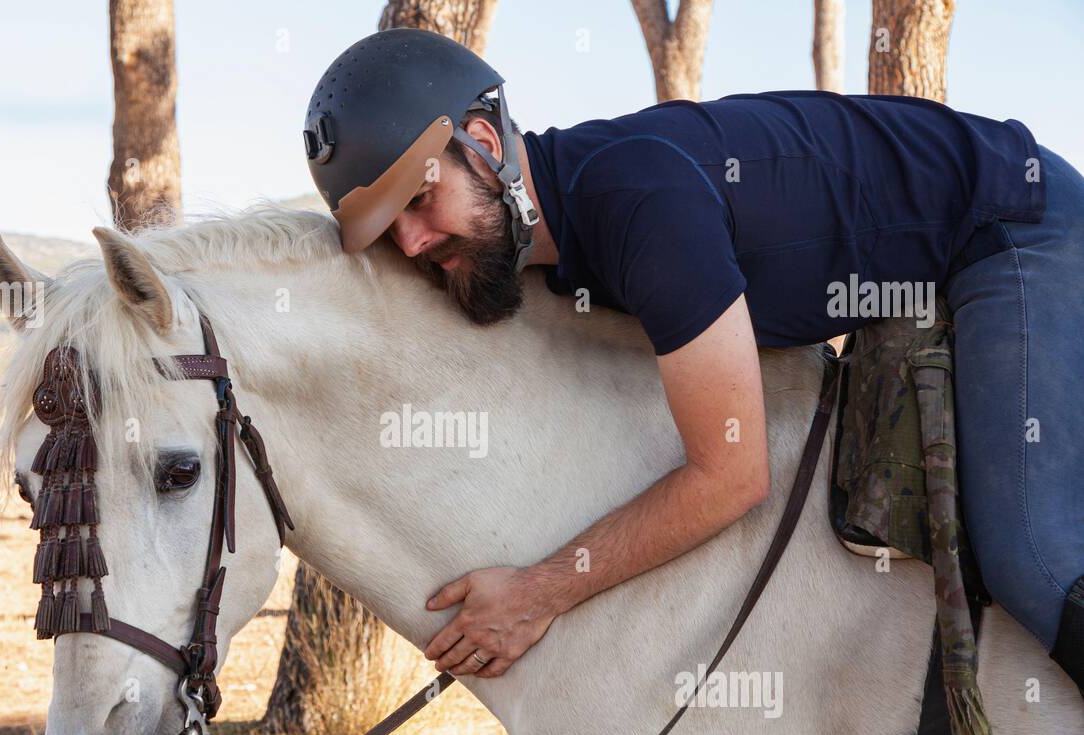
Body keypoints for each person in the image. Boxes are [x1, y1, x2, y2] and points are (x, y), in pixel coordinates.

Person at [302, 28, 1084, 691]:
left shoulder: (636, 202)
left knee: (1031, 555)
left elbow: (732, 475)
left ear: (481, 145)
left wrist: (538, 593)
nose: (410, 243)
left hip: (1017, 221)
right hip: (954, 247)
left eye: (418, 201)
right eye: (385, 232)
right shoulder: (559, 230)